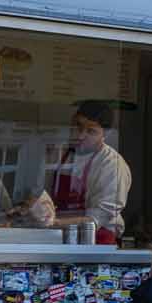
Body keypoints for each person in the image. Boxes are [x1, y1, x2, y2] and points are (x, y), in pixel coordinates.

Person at [51, 100, 131, 244]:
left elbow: (97, 218)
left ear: (106, 133)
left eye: (91, 131)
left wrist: (53, 223)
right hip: (59, 238)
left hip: (95, 241)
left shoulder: (112, 164)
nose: (81, 136)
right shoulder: (61, 154)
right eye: (78, 127)